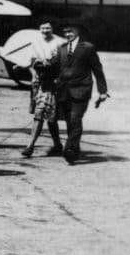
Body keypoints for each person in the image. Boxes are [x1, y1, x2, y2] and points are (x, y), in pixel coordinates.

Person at [55, 22, 109, 163]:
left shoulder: (88, 48)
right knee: (69, 122)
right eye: (65, 32)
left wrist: (102, 91)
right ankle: (75, 148)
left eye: (70, 31)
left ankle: (70, 150)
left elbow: (97, 70)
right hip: (63, 91)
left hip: (81, 90)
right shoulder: (61, 48)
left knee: (75, 119)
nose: (67, 34)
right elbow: (54, 68)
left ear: (77, 32)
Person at [21, 20, 64, 157]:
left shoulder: (59, 43)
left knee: (47, 116)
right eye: (43, 28)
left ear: (52, 29)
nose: (45, 31)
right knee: (45, 115)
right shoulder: (36, 43)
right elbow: (31, 63)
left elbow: (63, 64)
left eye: (48, 28)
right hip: (39, 84)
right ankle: (55, 145)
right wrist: (34, 75)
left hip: (53, 84)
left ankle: (31, 146)